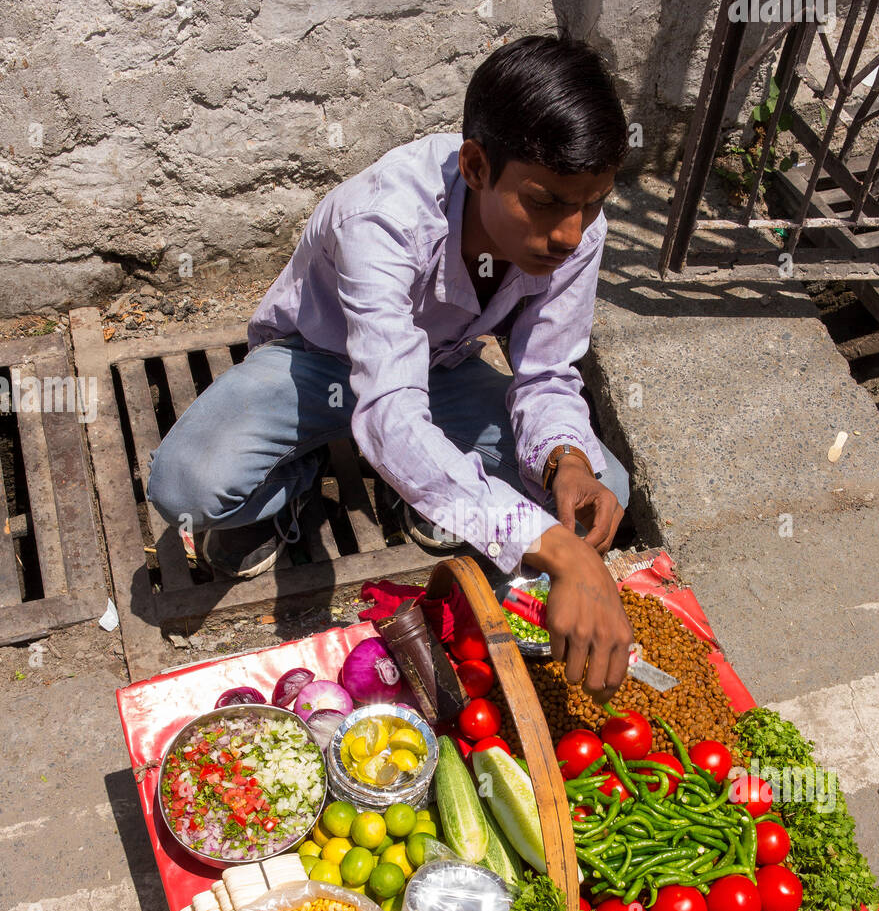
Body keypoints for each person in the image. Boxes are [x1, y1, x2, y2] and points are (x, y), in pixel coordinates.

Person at [147, 34, 634, 701]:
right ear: (475, 167)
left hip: (438, 369)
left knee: (602, 487)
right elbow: (391, 415)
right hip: (317, 363)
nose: (570, 234)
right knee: (187, 488)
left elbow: (547, 372)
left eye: (594, 202)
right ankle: (299, 483)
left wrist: (564, 461)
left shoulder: (574, 224)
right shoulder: (382, 217)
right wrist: (546, 543)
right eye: (545, 202)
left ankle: (432, 487)